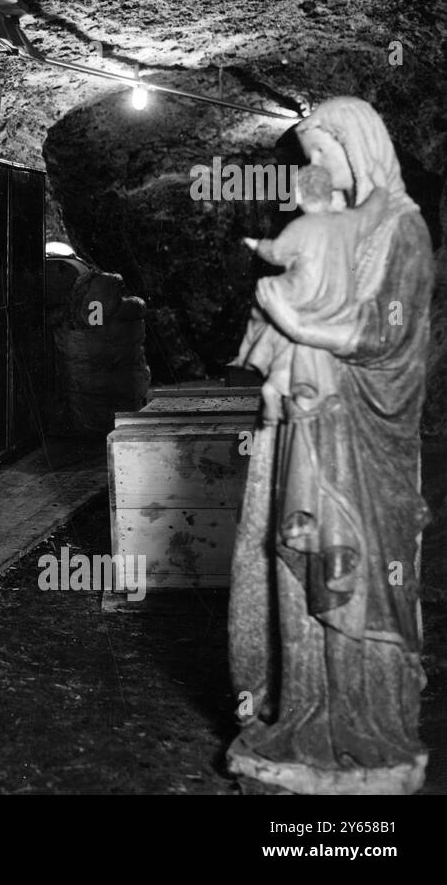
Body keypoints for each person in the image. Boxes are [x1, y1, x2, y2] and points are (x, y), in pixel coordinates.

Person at [228, 97, 433, 794]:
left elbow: (392, 336)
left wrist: (302, 327)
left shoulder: (401, 228)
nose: (314, 168)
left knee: (360, 571)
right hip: (309, 423)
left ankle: (365, 726)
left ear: (361, 145)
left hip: (365, 439)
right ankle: (304, 710)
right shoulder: (332, 226)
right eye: (310, 155)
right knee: (296, 556)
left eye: (323, 151)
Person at [234, 163, 386, 422]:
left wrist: (255, 244)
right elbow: (373, 210)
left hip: (301, 297)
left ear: (297, 195)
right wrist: (380, 186)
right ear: (329, 193)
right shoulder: (350, 221)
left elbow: (276, 253)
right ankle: (278, 386)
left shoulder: (300, 227)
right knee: (289, 339)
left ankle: (265, 372)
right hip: (338, 303)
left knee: (267, 295)